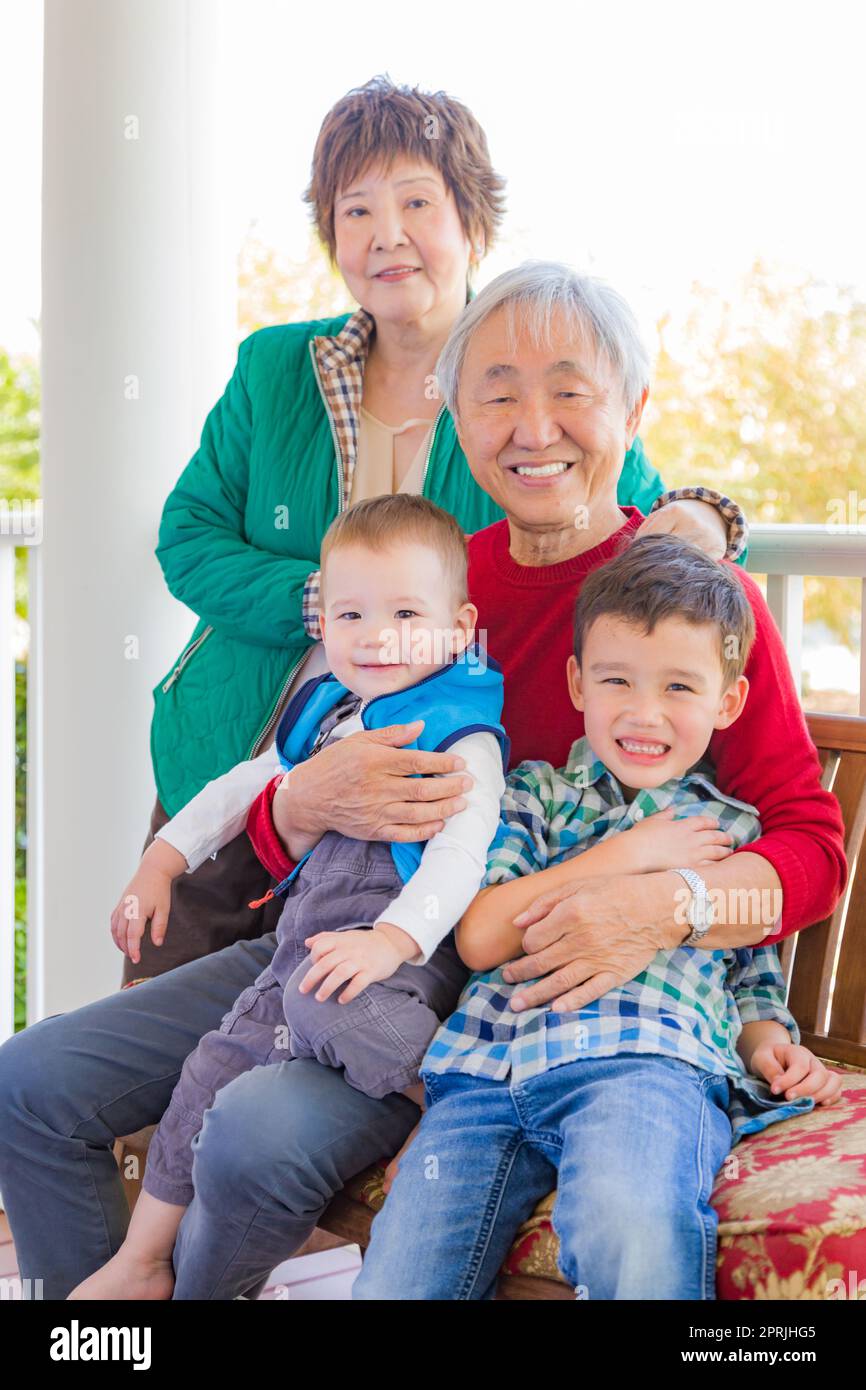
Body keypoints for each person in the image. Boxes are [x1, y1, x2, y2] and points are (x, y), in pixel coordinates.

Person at [0, 263, 842, 1302]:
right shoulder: (434, 586)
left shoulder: (685, 606)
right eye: (495, 391)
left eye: (569, 390)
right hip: (323, 935)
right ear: (456, 414)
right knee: (30, 1082)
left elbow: (808, 847)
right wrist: (298, 804)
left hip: (453, 994)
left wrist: (667, 904)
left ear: (631, 407)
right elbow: (283, 813)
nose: (533, 426)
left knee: (254, 1129)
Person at [136, 75, 730, 981]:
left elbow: (627, 502)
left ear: (471, 222)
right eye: (356, 209)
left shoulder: (510, 381)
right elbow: (189, 535)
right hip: (245, 757)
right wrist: (328, 606)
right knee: (154, 1029)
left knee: (314, 1029)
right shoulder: (272, 371)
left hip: (420, 798)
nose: (387, 235)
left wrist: (711, 515)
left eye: (418, 201)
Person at [353, 534, 844, 1302]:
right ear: (579, 683)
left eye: (680, 687)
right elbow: (483, 934)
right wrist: (633, 853)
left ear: (729, 700)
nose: (645, 713)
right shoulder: (533, 795)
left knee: (634, 1225)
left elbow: (752, 971)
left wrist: (772, 1046)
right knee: (400, 1278)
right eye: (619, 679)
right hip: (487, 1079)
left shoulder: (731, 831)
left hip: (646, 1069)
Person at [67, 494, 508, 1300]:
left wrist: (391, 941)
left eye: (406, 612)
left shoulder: (460, 735)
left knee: (321, 1005)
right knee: (210, 1069)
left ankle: (448, 1092)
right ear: (325, 624)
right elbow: (242, 787)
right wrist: (163, 860)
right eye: (351, 613)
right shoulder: (328, 714)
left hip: (400, 966)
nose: (376, 635)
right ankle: (141, 1258)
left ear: (458, 625)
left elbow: (461, 858)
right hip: (303, 955)